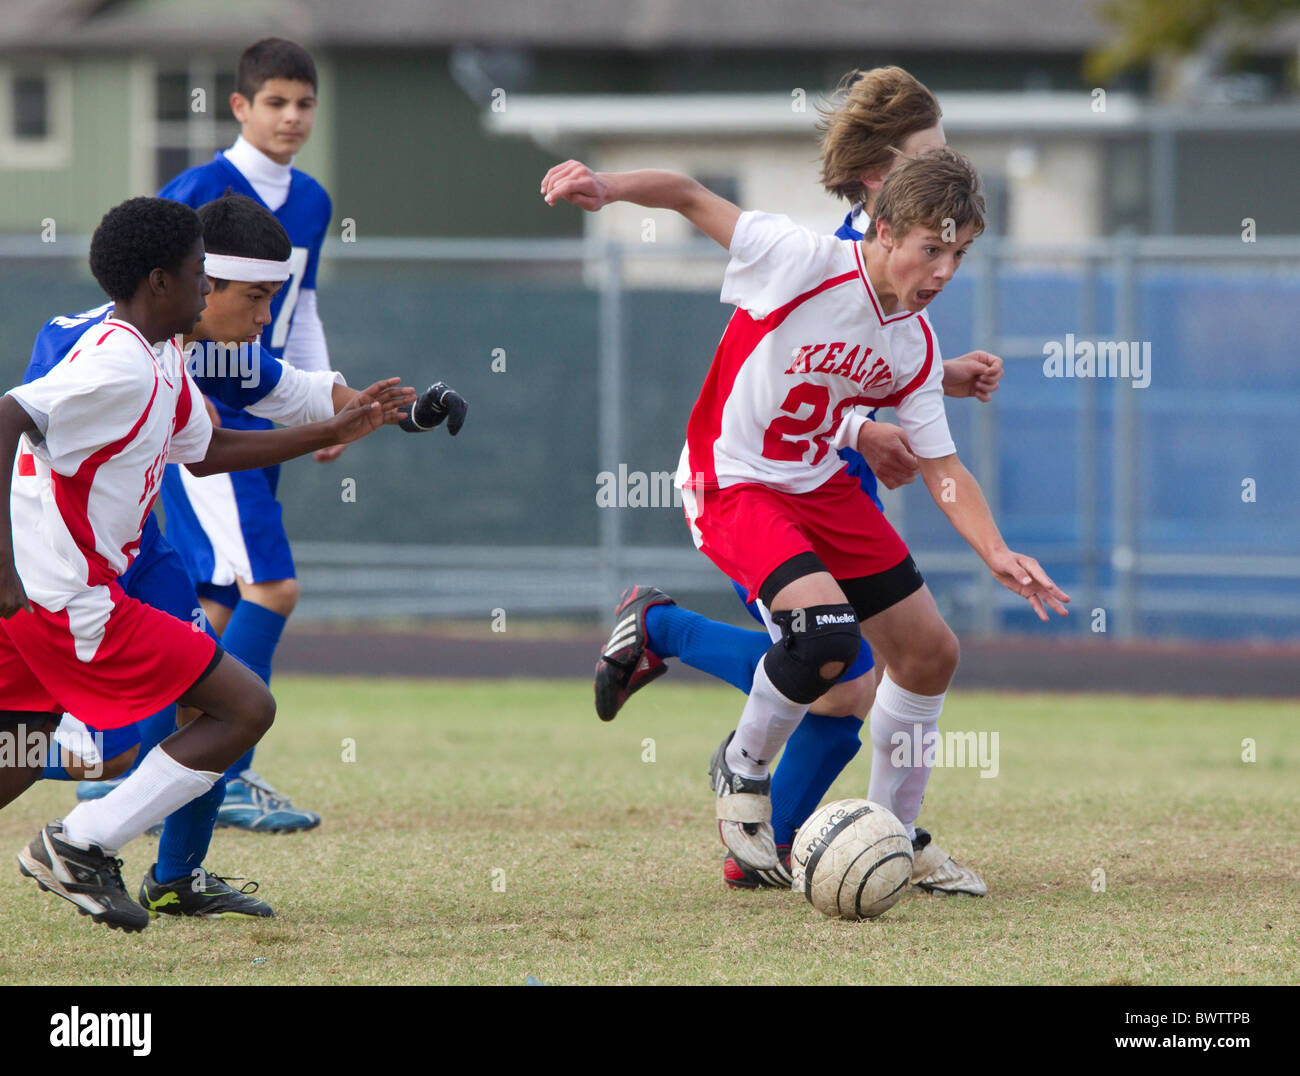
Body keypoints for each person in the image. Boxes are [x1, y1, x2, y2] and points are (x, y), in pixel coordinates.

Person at [543, 146, 1068, 885]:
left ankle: (893, 835)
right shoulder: (800, 259)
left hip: (819, 485)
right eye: (932, 248)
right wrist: (607, 187)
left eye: (961, 252)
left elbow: (943, 468)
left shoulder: (914, 343)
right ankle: (742, 768)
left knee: (929, 652)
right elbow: (692, 193)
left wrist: (997, 552)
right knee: (824, 635)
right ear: (884, 230)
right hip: (733, 480)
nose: (946, 270)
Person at [28, 193, 463, 918]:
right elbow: (22, 426)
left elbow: (292, 400)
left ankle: (173, 878)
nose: (266, 318)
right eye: (256, 297)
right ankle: (83, 840)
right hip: (61, 565)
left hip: (135, 549)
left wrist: (391, 415)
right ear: (198, 281)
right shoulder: (105, 350)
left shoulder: (191, 346)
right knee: (103, 751)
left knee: (213, 705)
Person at [79, 37, 339, 832]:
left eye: (303, 104)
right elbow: (153, 300)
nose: (291, 117)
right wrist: (185, 396)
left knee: (213, 603)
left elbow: (301, 312)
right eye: (275, 102)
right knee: (272, 585)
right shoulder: (199, 188)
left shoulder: (316, 202)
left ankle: (135, 779)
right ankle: (226, 774)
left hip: (264, 409)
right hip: (202, 420)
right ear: (240, 106)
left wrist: (322, 404)